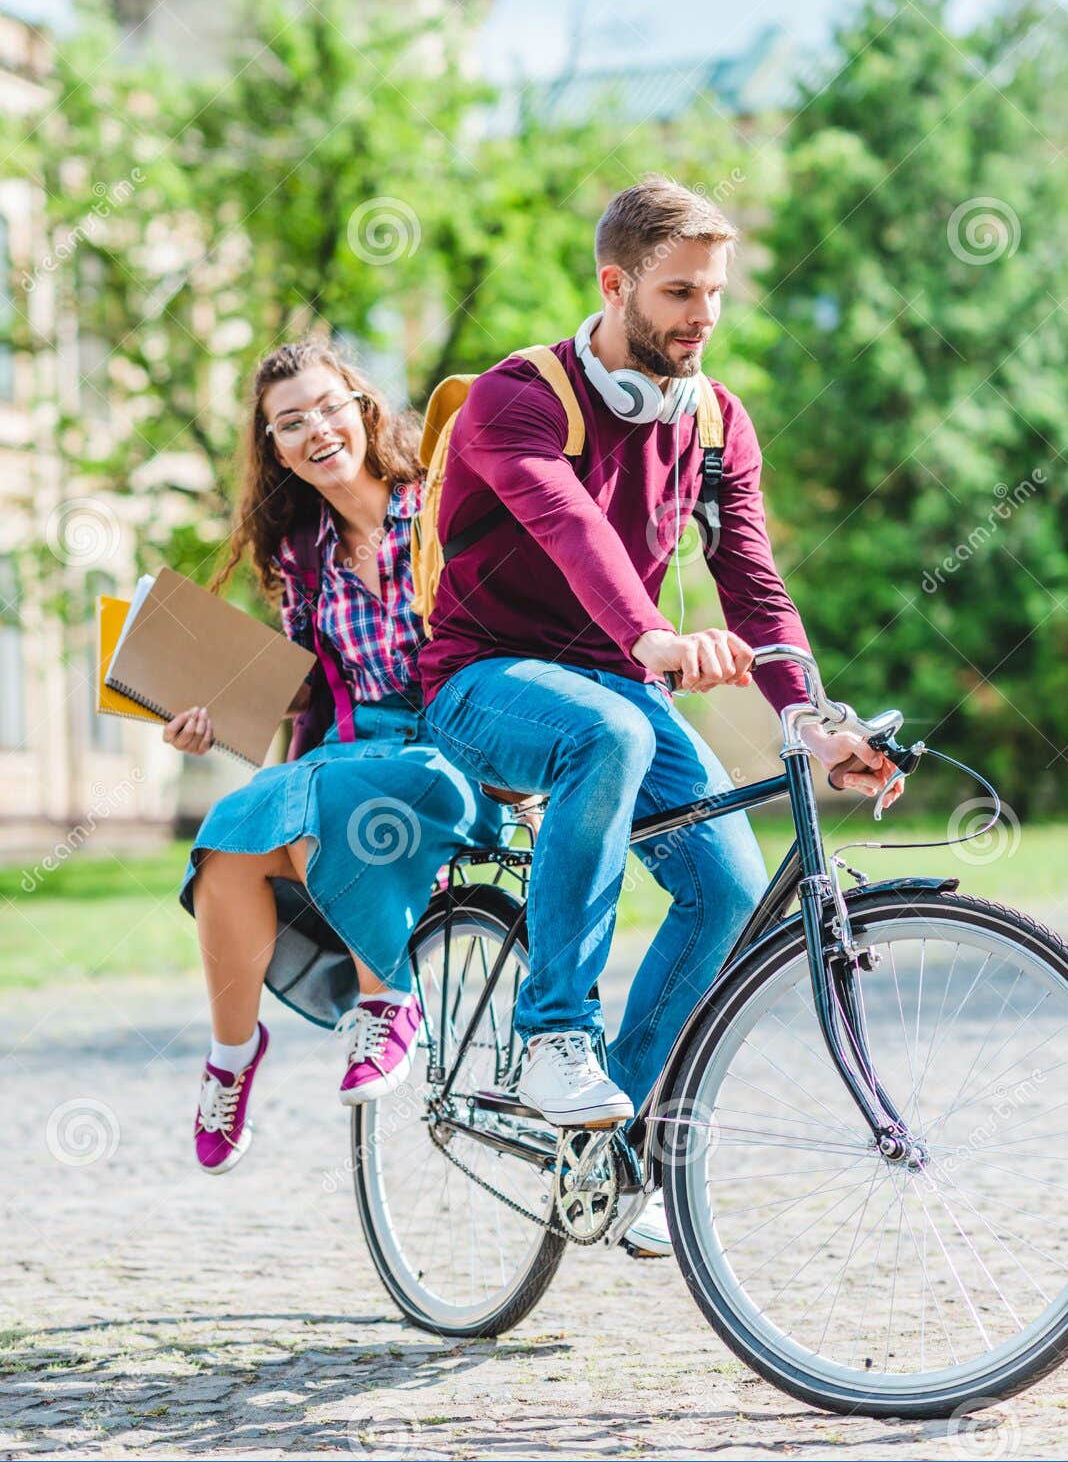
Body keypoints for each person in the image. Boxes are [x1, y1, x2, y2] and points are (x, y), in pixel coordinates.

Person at [421, 176, 904, 1254]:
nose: (703, 316)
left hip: (623, 684)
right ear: (615, 284)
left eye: (716, 292)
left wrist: (814, 720)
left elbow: (754, 583)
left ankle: (617, 1148)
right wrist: (649, 634)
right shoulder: (517, 398)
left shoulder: (716, 422)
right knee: (612, 730)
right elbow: (572, 527)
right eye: (680, 292)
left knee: (730, 888)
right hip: (483, 680)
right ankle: (553, 1034)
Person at [169, 338, 503, 1174]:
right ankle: (231, 1059)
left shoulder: (440, 505)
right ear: (276, 450)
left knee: (330, 801)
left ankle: (387, 1003)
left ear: (363, 408)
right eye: (291, 423)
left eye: (328, 408)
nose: (315, 429)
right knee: (228, 834)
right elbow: (311, 686)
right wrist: (213, 715)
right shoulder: (303, 551)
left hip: (456, 746)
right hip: (353, 754)